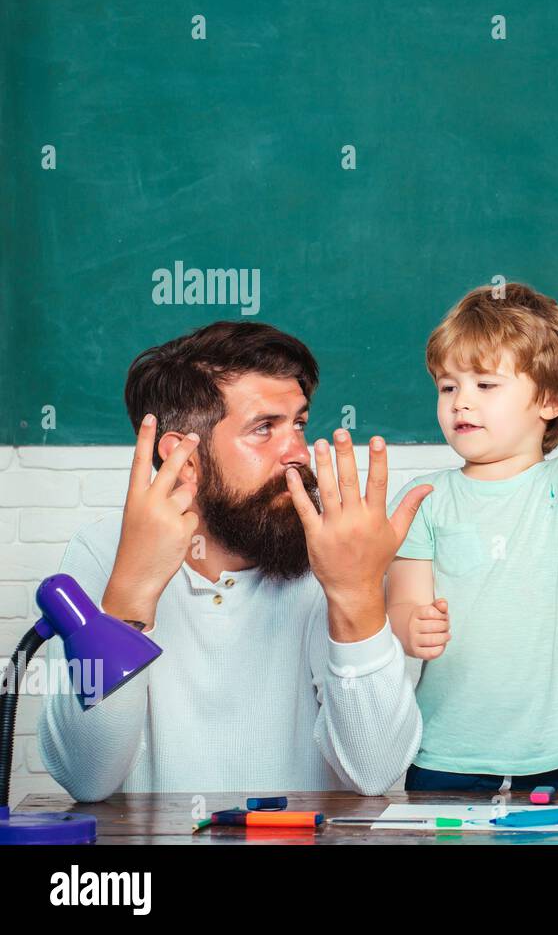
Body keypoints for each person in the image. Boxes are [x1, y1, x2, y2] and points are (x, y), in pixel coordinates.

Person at [38, 321, 430, 801]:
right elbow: (87, 777)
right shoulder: (103, 554)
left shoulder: (332, 551)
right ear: (185, 457)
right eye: (264, 428)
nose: (298, 454)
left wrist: (357, 594)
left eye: (299, 424)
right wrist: (131, 594)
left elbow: (373, 771)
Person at [384, 255, 558, 792]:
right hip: (448, 748)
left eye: (486, 385)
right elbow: (401, 602)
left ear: (549, 400)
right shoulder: (424, 497)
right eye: (448, 387)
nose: (461, 401)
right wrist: (409, 626)